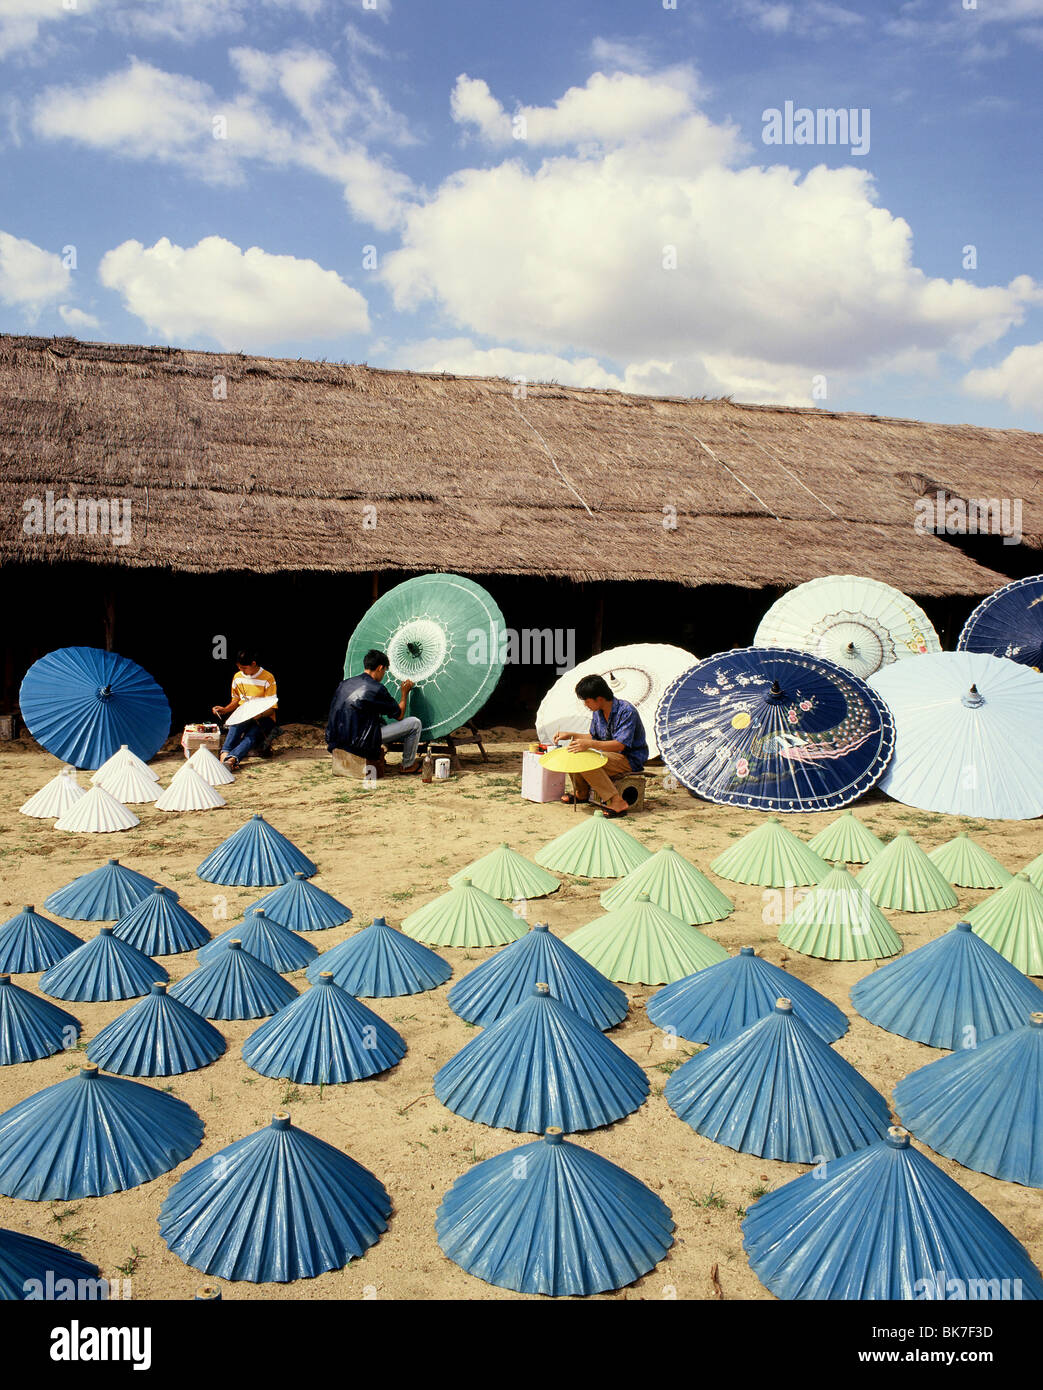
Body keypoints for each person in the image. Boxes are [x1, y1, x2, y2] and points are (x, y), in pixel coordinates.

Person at [554, 673, 648, 817]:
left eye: (587, 701)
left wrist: (589, 744)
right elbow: (594, 736)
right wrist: (570, 735)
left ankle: (617, 801)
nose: (586, 704)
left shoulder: (626, 711)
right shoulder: (598, 711)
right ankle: (581, 793)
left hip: (629, 759)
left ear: (599, 699)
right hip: (610, 755)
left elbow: (620, 745)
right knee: (573, 750)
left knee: (587, 760)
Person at [326, 649, 422, 774]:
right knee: (415, 723)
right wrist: (404, 693)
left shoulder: (344, 683)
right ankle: (408, 765)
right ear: (380, 668)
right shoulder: (376, 689)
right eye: (384, 671)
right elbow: (399, 715)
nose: (383, 675)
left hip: (336, 739)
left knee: (380, 721)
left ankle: (381, 755)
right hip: (359, 741)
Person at [213, 649, 278, 771]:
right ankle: (224, 756)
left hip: (264, 717)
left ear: (253, 664)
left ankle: (232, 759)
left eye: (244, 668)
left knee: (252, 735)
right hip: (244, 714)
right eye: (239, 667)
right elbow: (236, 699)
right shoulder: (237, 677)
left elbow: (272, 708)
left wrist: (259, 714)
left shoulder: (268, 678)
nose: (241, 671)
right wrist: (225, 709)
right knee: (235, 726)